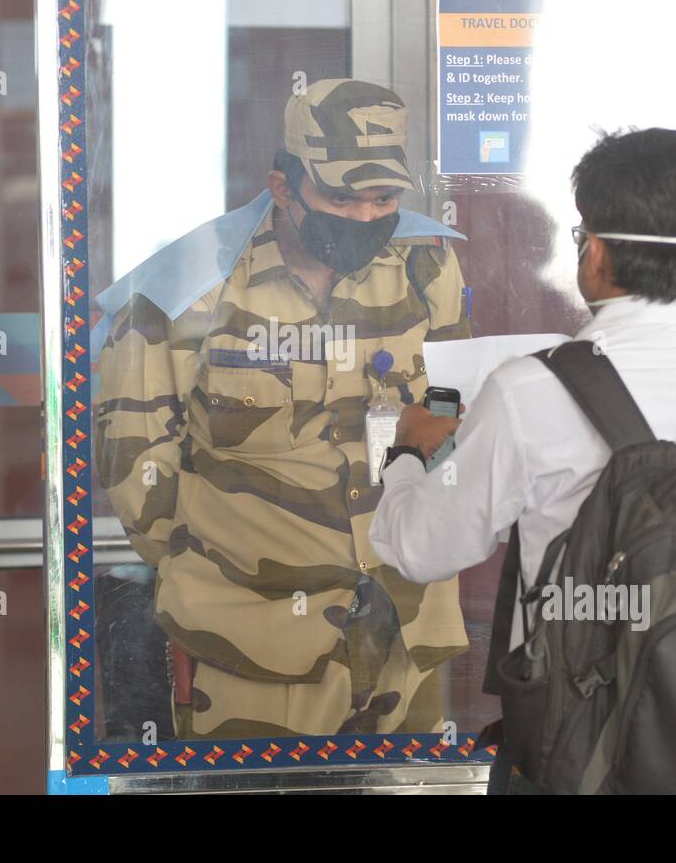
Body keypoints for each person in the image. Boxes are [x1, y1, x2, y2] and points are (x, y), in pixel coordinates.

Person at [368, 127, 676, 792]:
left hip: (573, 759)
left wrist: (407, 452)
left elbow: (421, 548)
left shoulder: (528, 390)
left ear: (595, 251)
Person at [93, 78, 473, 738]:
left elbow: (454, 402)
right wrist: (220, 570)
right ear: (281, 186)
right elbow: (135, 464)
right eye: (340, 196)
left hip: (406, 636)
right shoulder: (192, 289)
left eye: (382, 197)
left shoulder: (424, 269)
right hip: (251, 652)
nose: (363, 216)